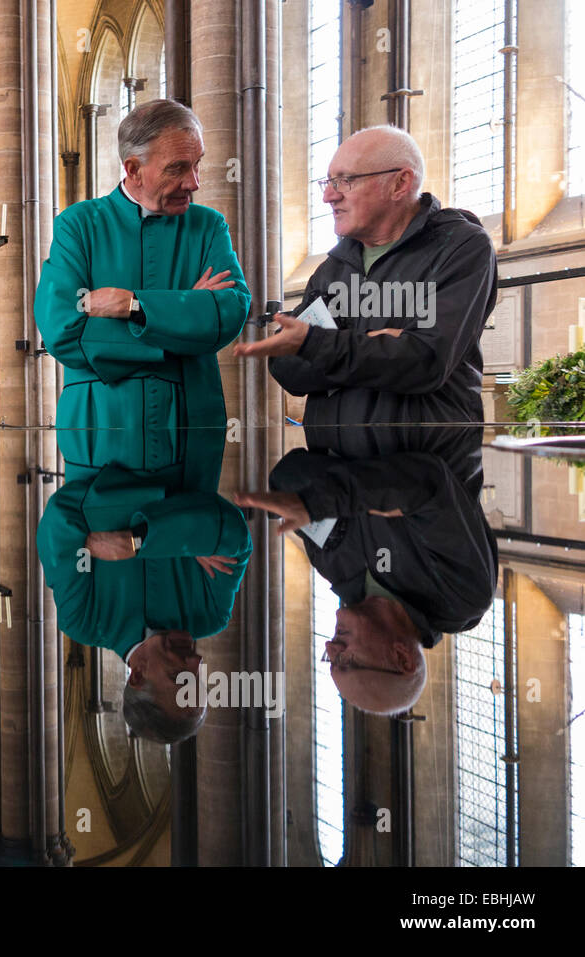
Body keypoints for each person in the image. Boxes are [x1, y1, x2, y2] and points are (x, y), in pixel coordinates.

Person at [34, 99, 249, 474]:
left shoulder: (208, 227)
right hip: (99, 428)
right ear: (133, 169)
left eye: (197, 164)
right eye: (178, 169)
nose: (193, 182)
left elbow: (228, 313)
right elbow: (62, 331)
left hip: (191, 425)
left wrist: (134, 306)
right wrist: (184, 319)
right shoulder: (78, 225)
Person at [234, 125, 497, 427]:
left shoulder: (461, 247)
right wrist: (374, 341)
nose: (329, 197)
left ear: (400, 183)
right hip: (332, 465)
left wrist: (320, 346)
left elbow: (424, 363)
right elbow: (287, 370)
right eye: (328, 182)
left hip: (426, 464)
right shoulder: (333, 268)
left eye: (345, 181)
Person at [236, 437, 496, 716]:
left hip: (329, 399)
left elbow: (288, 475)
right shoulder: (462, 595)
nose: (331, 646)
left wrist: (359, 500)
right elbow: (424, 483)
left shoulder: (334, 569)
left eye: (330, 659)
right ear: (402, 658)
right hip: (419, 403)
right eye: (346, 661)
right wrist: (329, 502)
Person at [38, 456, 252, 744]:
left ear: (137, 675)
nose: (197, 660)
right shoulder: (210, 614)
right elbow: (234, 534)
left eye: (180, 675)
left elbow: (61, 521)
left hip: (101, 434)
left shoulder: (84, 618)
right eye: (198, 677)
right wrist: (138, 540)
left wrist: (191, 529)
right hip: (189, 435)